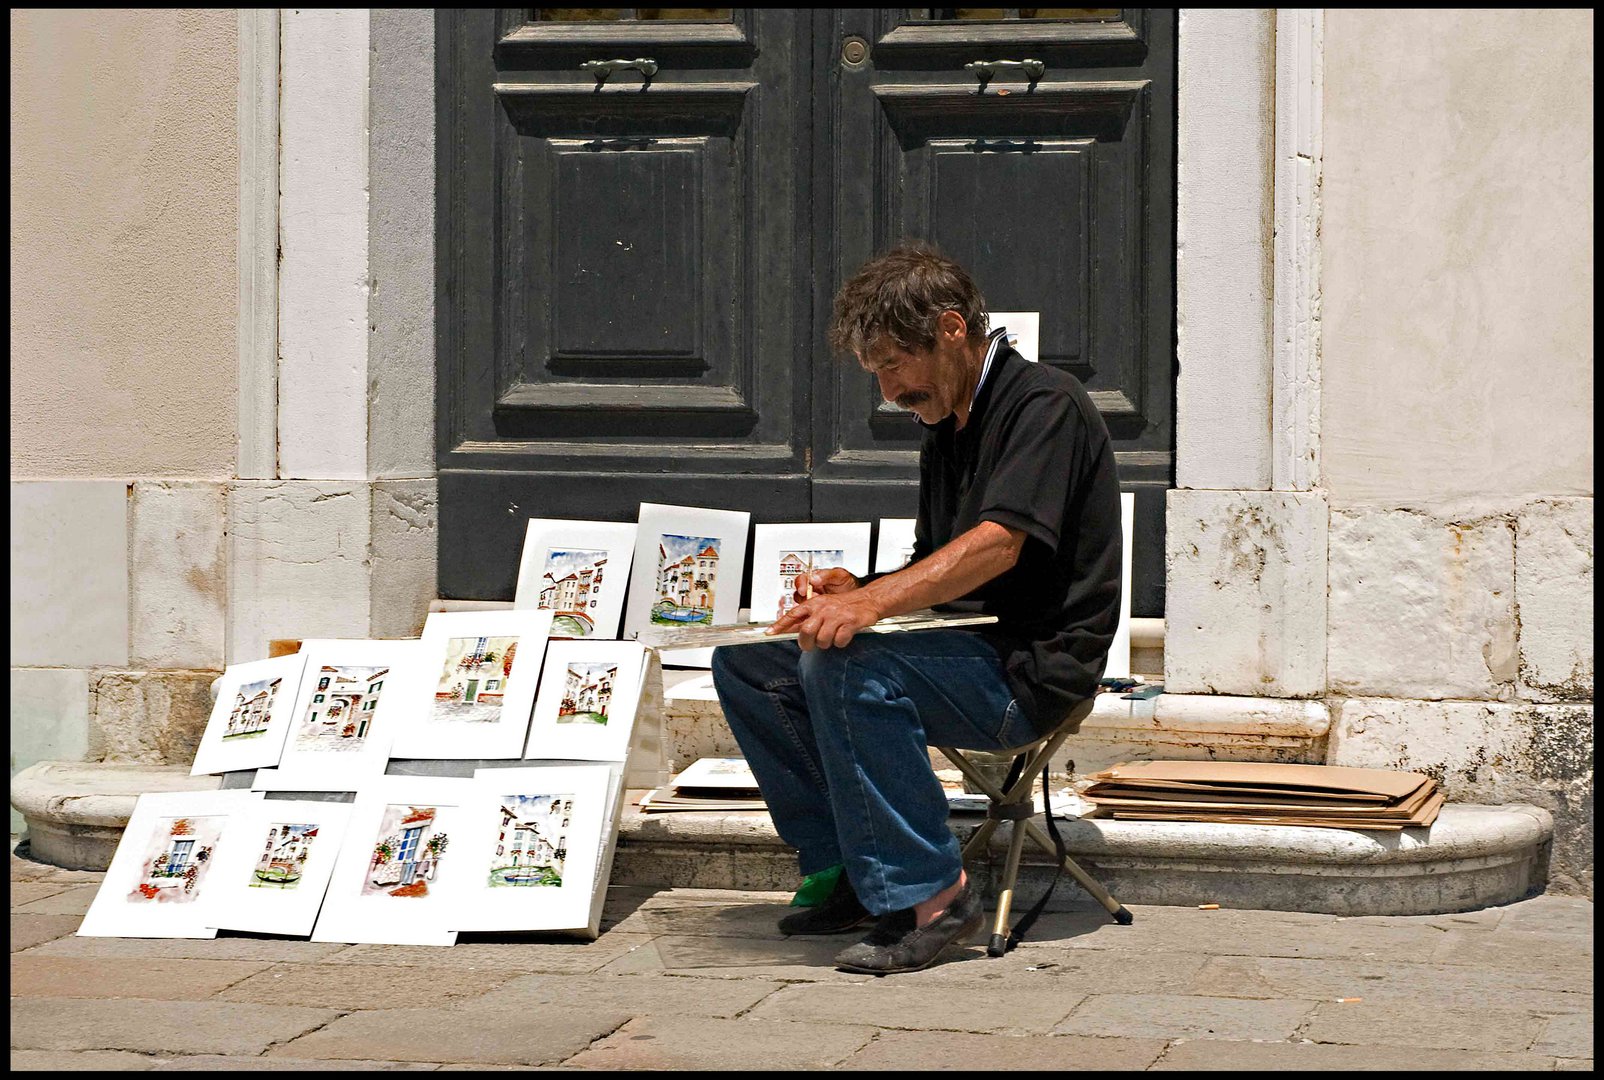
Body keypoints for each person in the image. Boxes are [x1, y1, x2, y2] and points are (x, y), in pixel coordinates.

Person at [710, 242, 1124, 975]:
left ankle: (935, 897)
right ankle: (851, 874)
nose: (889, 390)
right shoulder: (946, 424)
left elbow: (997, 547)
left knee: (851, 664)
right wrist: (858, 586)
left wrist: (871, 606)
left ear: (953, 330)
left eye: (895, 365)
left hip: (1030, 673)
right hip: (967, 649)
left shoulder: (1044, 405)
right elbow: (943, 562)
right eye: (877, 373)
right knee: (749, 663)